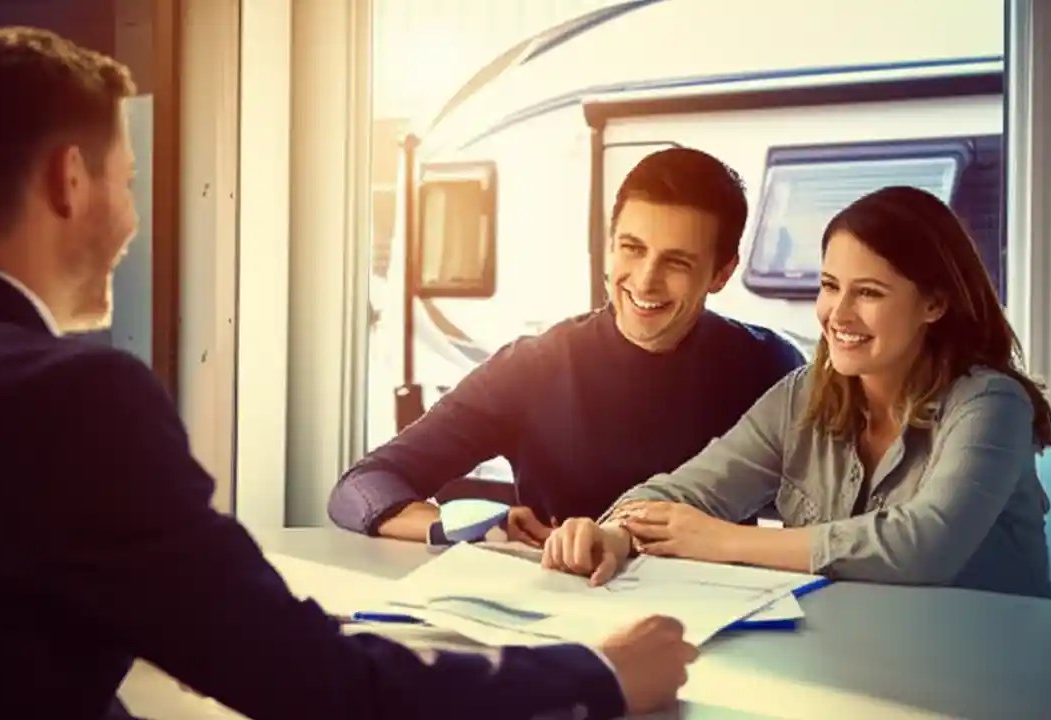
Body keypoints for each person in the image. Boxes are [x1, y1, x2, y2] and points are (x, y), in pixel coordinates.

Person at [0, 28, 699, 719]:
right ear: (69, 181)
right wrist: (596, 675)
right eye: (129, 180)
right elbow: (311, 685)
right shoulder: (73, 397)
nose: (131, 219)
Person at [542, 186, 1051, 598]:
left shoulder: (991, 404)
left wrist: (728, 541)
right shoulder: (802, 394)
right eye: (830, 286)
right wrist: (616, 534)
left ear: (934, 305)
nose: (840, 313)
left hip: (991, 670)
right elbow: (689, 490)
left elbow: (923, 546)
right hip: (848, 661)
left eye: (869, 293)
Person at [329, 147, 805, 545]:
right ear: (609, 244)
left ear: (721, 273)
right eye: (632, 248)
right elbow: (361, 487)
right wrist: (468, 529)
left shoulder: (769, 367)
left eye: (676, 261)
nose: (645, 280)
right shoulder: (535, 366)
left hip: (715, 624)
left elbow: (826, 520)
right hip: (559, 621)